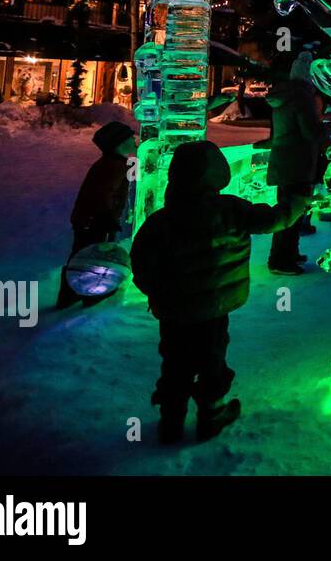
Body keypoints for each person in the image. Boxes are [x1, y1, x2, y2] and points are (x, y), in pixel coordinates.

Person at [131, 141, 312, 444]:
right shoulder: (231, 209)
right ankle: (212, 415)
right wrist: (298, 203)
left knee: (174, 364)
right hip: (215, 308)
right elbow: (274, 219)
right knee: (212, 360)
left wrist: (157, 292)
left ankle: (170, 421)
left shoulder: (161, 221)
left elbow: (141, 263)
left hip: (174, 311)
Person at [59, 121, 137, 308]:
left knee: (82, 252)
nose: (135, 141)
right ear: (118, 144)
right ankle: (85, 292)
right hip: (94, 220)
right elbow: (103, 194)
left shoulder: (113, 163)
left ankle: (72, 293)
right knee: (91, 255)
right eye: (130, 138)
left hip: (89, 219)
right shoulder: (113, 166)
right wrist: (108, 218)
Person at [264, 66, 324, 275]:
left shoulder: (287, 96)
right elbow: (309, 132)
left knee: (289, 210)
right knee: (291, 211)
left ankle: (288, 253)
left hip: (286, 162)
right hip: (297, 162)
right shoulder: (302, 98)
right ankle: (280, 260)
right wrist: (326, 131)